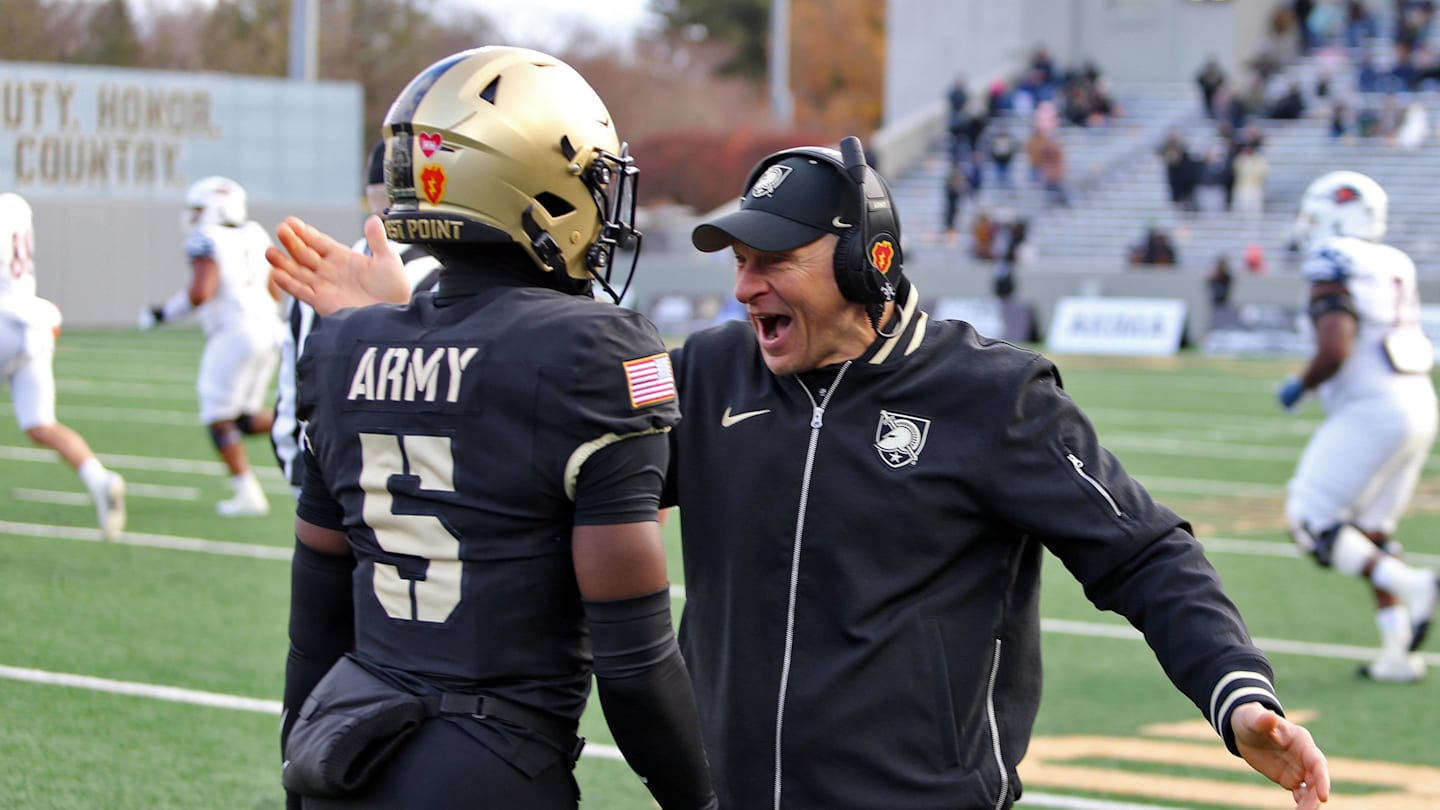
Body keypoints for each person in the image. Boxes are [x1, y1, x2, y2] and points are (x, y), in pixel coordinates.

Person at [270, 134, 1332, 810]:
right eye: (735, 260)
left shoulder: (992, 396)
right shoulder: (704, 371)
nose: (744, 287)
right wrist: (404, 322)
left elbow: (1144, 554)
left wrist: (1237, 699)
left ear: (869, 259)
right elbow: (546, 450)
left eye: (772, 259)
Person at [265, 47, 717, 810]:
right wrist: (702, 801)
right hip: (494, 768)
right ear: (533, 189)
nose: (605, 207)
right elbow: (635, 665)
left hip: (344, 756)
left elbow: (315, 625)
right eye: (594, 182)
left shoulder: (342, 343)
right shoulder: (592, 352)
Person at [1278, 170, 1439, 683]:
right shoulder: (1395, 259)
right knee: (1372, 532)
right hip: (1418, 400)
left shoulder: (1336, 259)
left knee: (1308, 518)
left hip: (1372, 406)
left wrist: (1301, 384)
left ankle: (1412, 585)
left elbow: (1335, 344)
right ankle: (1398, 653)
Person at [270, 141, 440, 496]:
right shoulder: (446, 275)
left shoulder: (326, 274)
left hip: (321, 477)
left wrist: (302, 473)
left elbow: (291, 401)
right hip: (421, 489)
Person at [139, 176, 282, 516]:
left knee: (218, 417)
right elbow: (274, 289)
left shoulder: (207, 238)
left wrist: (161, 314)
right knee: (244, 419)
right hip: (269, 327)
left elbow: (200, 293)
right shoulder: (256, 232)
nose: (193, 216)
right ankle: (296, 421)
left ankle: (247, 492)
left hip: (235, 332)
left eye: (199, 209)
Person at [0, 192, 126, 539]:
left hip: (5, 318)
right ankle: (100, 480)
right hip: (34, 321)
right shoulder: (15, 204)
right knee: (41, 425)